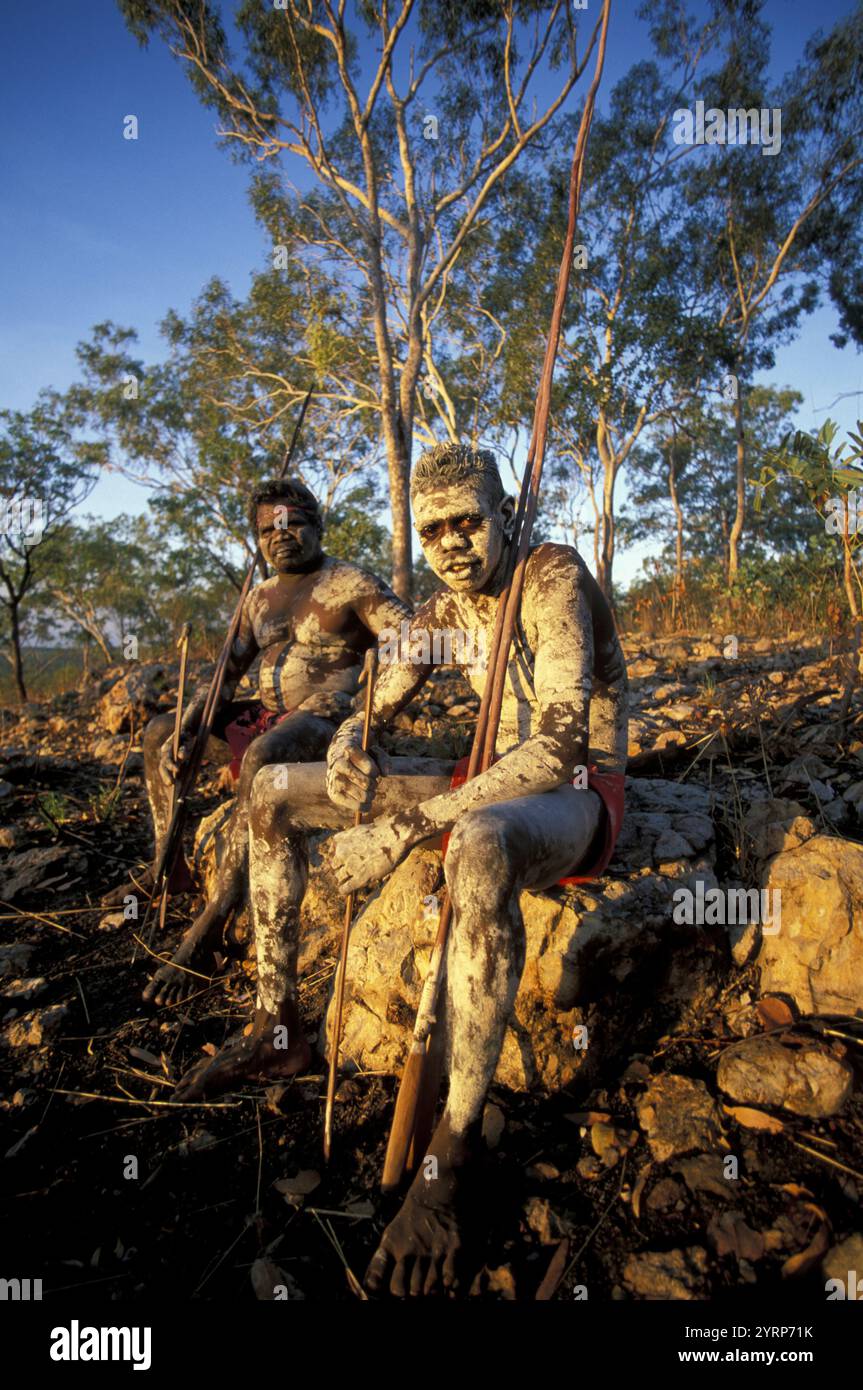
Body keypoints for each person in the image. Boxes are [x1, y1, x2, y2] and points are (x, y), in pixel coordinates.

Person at [175, 442, 628, 1297]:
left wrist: (399, 832)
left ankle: (451, 1158)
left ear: (504, 516)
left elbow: (560, 742)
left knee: (479, 844)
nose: (453, 544)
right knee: (271, 788)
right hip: (480, 779)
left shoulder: (551, 575)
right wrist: (351, 743)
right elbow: (382, 686)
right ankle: (280, 1030)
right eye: (433, 530)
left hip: (571, 790)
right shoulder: (449, 610)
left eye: (467, 523)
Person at [102, 476, 411, 1007]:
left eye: (293, 522)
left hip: (322, 718)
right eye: (268, 529)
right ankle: (164, 868)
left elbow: (412, 639)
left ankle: (218, 910)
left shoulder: (350, 584)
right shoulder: (260, 597)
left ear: (317, 525)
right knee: (159, 733)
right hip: (264, 715)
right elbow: (226, 671)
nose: (281, 535)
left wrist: (374, 710)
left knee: (266, 755)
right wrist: (191, 726)